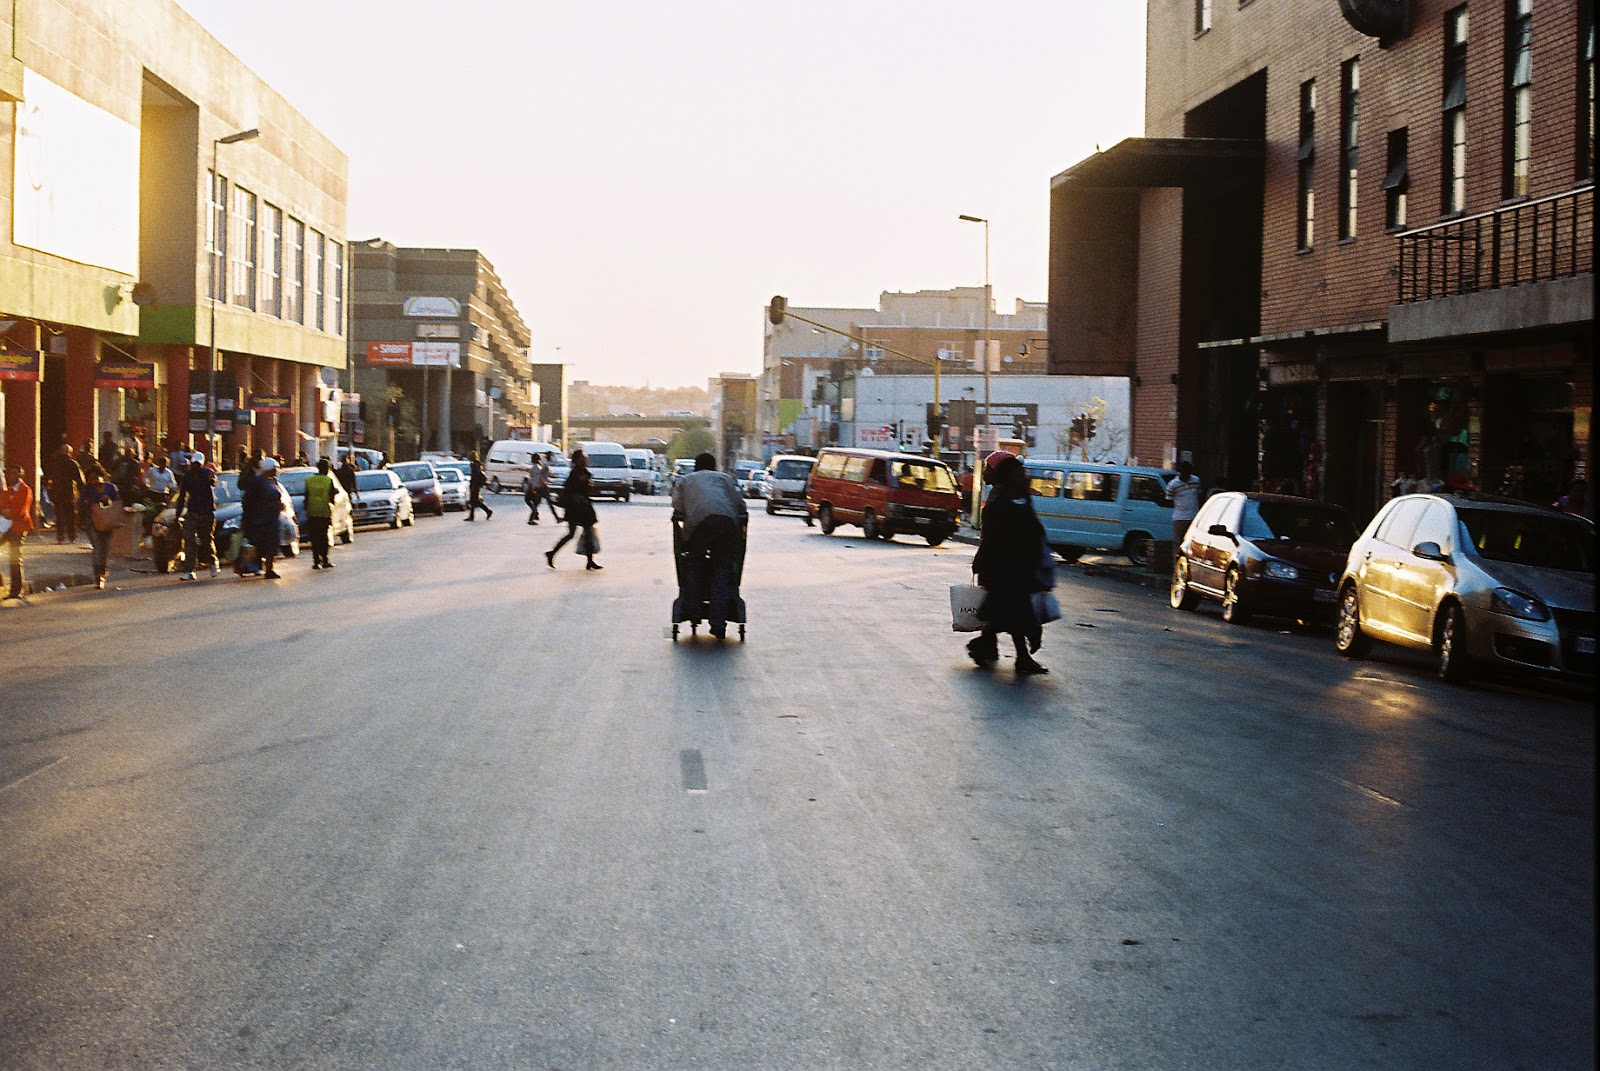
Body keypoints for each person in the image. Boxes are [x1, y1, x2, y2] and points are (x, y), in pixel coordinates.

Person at [968, 451, 1051, 675]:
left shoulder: (1020, 499)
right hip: (1005, 572)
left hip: (1017, 570)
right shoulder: (998, 502)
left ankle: (987, 647)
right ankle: (1014, 654)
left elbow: (1034, 532)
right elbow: (992, 540)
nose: (1023, 478)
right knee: (1012, 614)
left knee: (1004, 613)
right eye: (1017, 475)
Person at [671, 452, 747, 639]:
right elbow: (739, 505)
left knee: (694, 564)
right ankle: (718, 622)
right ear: (714, 466)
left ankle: (694, 611)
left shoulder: (686, 480)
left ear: (696, 466)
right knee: (722, 569)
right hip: (727, 524)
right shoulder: (725, 479)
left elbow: (678, 507)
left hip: (700, 524)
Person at [546, 448, 599, 570]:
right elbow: (569, 491)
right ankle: (552, 553)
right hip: (575, 508)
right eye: (582, 458)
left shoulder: (584, 473)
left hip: (584, 507)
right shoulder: (575, 474)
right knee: (571, 534)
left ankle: (590, 561)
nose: (584, 460)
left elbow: (587, 490)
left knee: (588, 532)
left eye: (585, 458)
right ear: (576, 460)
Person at [174, 450, 219, 580]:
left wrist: (213, 478)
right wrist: (178, 514)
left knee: (206, 540)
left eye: (197, 464)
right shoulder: (187, 476)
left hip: (206, 512)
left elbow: (214, 481)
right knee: (189, 540)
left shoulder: (207, 473)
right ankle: (189, 570)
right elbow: (182, 496)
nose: (195, 466)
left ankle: (212, 563)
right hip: (192, 511)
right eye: (193, 463)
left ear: (202, 464)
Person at [241, 456, 286, 579]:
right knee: (262, 544)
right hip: (260, 519)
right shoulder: (257, 482)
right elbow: (248, 500)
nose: (277, 470)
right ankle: (258, 567)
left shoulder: (273, 481)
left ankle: (269, 569)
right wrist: (246, 517)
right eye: (275, 468)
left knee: (272, 544)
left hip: (272, 519)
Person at [80, 461, 121, 590]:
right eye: (90, 478)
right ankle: (98, 576)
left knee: (105, 549)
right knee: (98, 548)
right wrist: (94, 502)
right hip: (92, 523)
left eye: (95, 477)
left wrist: (107, 501)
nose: (93, 481)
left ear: (101, 475)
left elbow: (117, 503)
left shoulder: (110, 488)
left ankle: (103, 571)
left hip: (107, 523)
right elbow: (80, 504)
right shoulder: (87, 489)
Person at [1, 464, 36, 600]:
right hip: (6, 525)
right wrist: (6, 510)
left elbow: (22, 509)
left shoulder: (25, 489)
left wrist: (9, 511)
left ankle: (16, 589)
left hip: (19, 526)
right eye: (10, 474)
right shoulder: (9, 490)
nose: (11, 476)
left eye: (15, 474)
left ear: (20, 475)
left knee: (14, 557)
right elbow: (2, 504)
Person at [304, 457, 339, 570]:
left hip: (312, 512)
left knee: (314, 538)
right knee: (323, 537)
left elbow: (306, 495)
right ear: (327, 469)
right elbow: (332, 496)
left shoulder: (309, 480)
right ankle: (325, 560)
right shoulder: (328, 480)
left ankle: (316, 561)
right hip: (324, 512)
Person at [47, 443, 84, 545]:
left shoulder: (54, 463)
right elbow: (79, 479)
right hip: (69, 492)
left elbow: (49, 477)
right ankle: (72, 536)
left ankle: (60, 537)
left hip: (57, 492)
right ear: (69, 452)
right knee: (70, 515)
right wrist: (83, 492)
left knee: (59, 515)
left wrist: (50, 490)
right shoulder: (72, 463)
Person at [1166, 458, 1202, 546]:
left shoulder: (1196, 480)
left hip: (1193, 517)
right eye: (1185, 472)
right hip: (1180, 517)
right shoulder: (1173, 485)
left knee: (1192, 542)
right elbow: (1168, 500)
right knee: (1179, 543)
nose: (1187, 474)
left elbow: (1199, 495)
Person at [525, 453, 558, 525]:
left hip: (537, 487)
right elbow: (540, 477)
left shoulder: (537, 467)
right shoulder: (541, 467)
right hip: (541, 487)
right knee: (547, 502)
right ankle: (556, 517)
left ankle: (532, 518)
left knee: (537, 503)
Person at [464, 452, 494, 521]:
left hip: (475, 485)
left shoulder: (474, 464)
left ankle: (487, 511)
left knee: (474, 501)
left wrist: (473, 486)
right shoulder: (476, 463)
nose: (468, 458)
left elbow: (476, 475)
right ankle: (473, 516)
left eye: (469, 456)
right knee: (474, 501)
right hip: (475, 485)